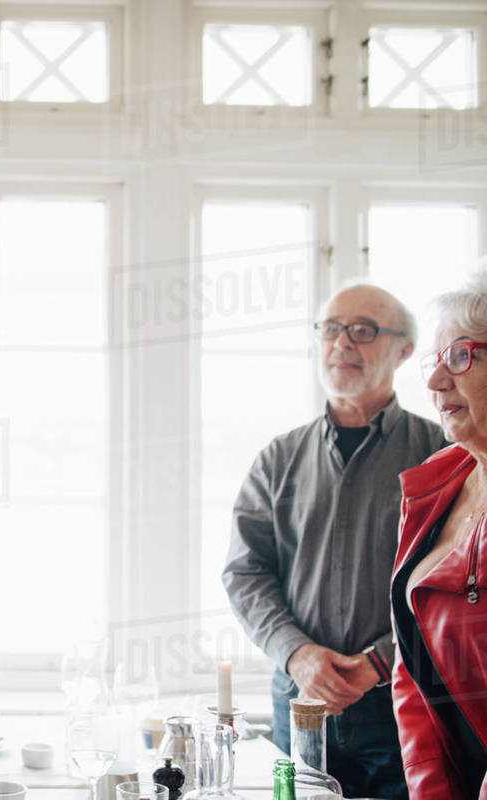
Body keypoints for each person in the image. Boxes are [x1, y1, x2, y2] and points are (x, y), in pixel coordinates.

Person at [222, 283, 444, 798]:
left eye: (363, 330)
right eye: (330, 328)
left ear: (404, 349)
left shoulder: (440, 454)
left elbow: (453, 583)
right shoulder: (278, 458)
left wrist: (381, 662)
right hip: (299, 699)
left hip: (402, 704)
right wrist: (298, 654)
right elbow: (244, 572)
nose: (342, 342)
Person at [392, 271, 487, 798]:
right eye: (435, 361)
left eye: (459, 357)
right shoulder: (435, 482)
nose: (433, 383)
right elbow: (413, 673)